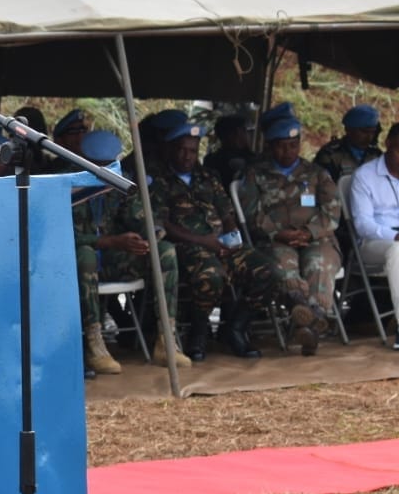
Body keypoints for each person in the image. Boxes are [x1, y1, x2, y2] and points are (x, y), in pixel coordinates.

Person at [148, 121, 277, 361]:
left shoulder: (207, 176)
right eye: (182, 150)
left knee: (268, 270)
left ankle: (236, 328)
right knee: (212, 275)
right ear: (170, 149)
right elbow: (162, 224)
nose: (188, 157)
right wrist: (203, 241)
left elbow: (227, 214)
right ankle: (198, 332)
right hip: (185, 246)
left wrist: (231, 238)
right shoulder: (158, 181)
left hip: (219, 244)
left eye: (193, 151)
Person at [73, 130, 190, 374]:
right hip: (77, 263)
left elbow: (138, 217)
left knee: (164, 250)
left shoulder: (120, 183)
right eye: (99, 165)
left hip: (115, 257)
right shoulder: (68, 186)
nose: (105, 171)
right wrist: (109, 241)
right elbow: (62, 236)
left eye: (109, 165)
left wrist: (147, 237)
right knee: (84, 254)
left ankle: (166, 340)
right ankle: (95, 345)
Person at [238, 118, 338, 355]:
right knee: (283, 266)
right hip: (276, 240)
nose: (288, 151)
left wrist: (308, 232)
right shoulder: (256, 174)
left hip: (315, 238)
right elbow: (251, 214)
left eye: (293, 145)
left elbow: (332, 211)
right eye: (282, 145)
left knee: (320, 264)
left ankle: (311, 318)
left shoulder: (316, 173)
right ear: (271, 146)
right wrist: (277, 232)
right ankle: (311, 319)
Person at [347, 123, 399, 344]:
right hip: (374, 243)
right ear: (388, 144)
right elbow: (363, 224)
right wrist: (394, 235)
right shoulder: (365, 176)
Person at [314, 104, 382, 182]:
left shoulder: (376, 154)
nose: (369, 137)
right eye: (364, 132)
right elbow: (320, 185)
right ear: (349, 130)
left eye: (372, 132)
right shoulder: (330, 154)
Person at [203, 114, 256, 184]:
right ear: (238, 132)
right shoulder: (251, 159)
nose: (247, 135)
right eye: (244, 130)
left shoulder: (210, 159)